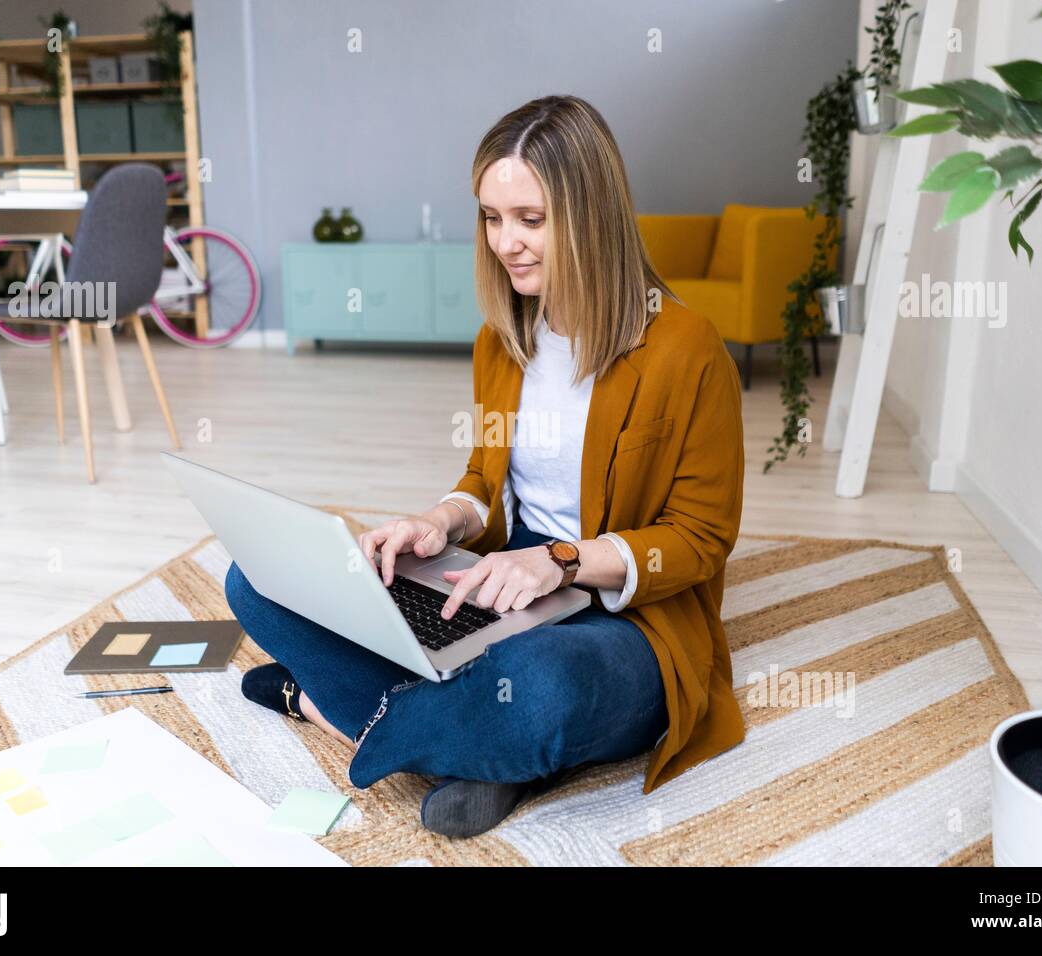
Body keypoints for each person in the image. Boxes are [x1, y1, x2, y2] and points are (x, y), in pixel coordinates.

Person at [226, 94, 746, 838]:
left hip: (626, 616)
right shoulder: (501, 338)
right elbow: (485, 479)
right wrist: (441, 520)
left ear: (592, 213)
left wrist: (562, 562)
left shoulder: (686, 348)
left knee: (540, 689)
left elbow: (701, 538)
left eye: (530, 220)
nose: (507, 243)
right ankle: (476, 750)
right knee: (257, 576)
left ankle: (345, 709)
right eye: (492, 219)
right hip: (499, 583)